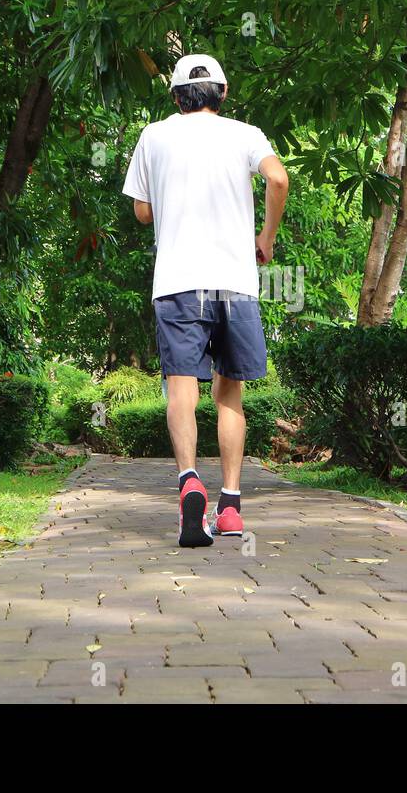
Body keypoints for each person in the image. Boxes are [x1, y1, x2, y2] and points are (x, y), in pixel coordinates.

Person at [123, 53, 290, 547]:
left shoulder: (154, 136)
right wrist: (266, 235)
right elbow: (278, 179)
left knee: (182, 389)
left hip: (177, 281)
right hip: (234, 282)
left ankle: (189, 481)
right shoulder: (245, 133)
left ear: (176, 97)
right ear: (223, 93)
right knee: (229, 393)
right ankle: (232, 506)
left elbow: (142, 212)